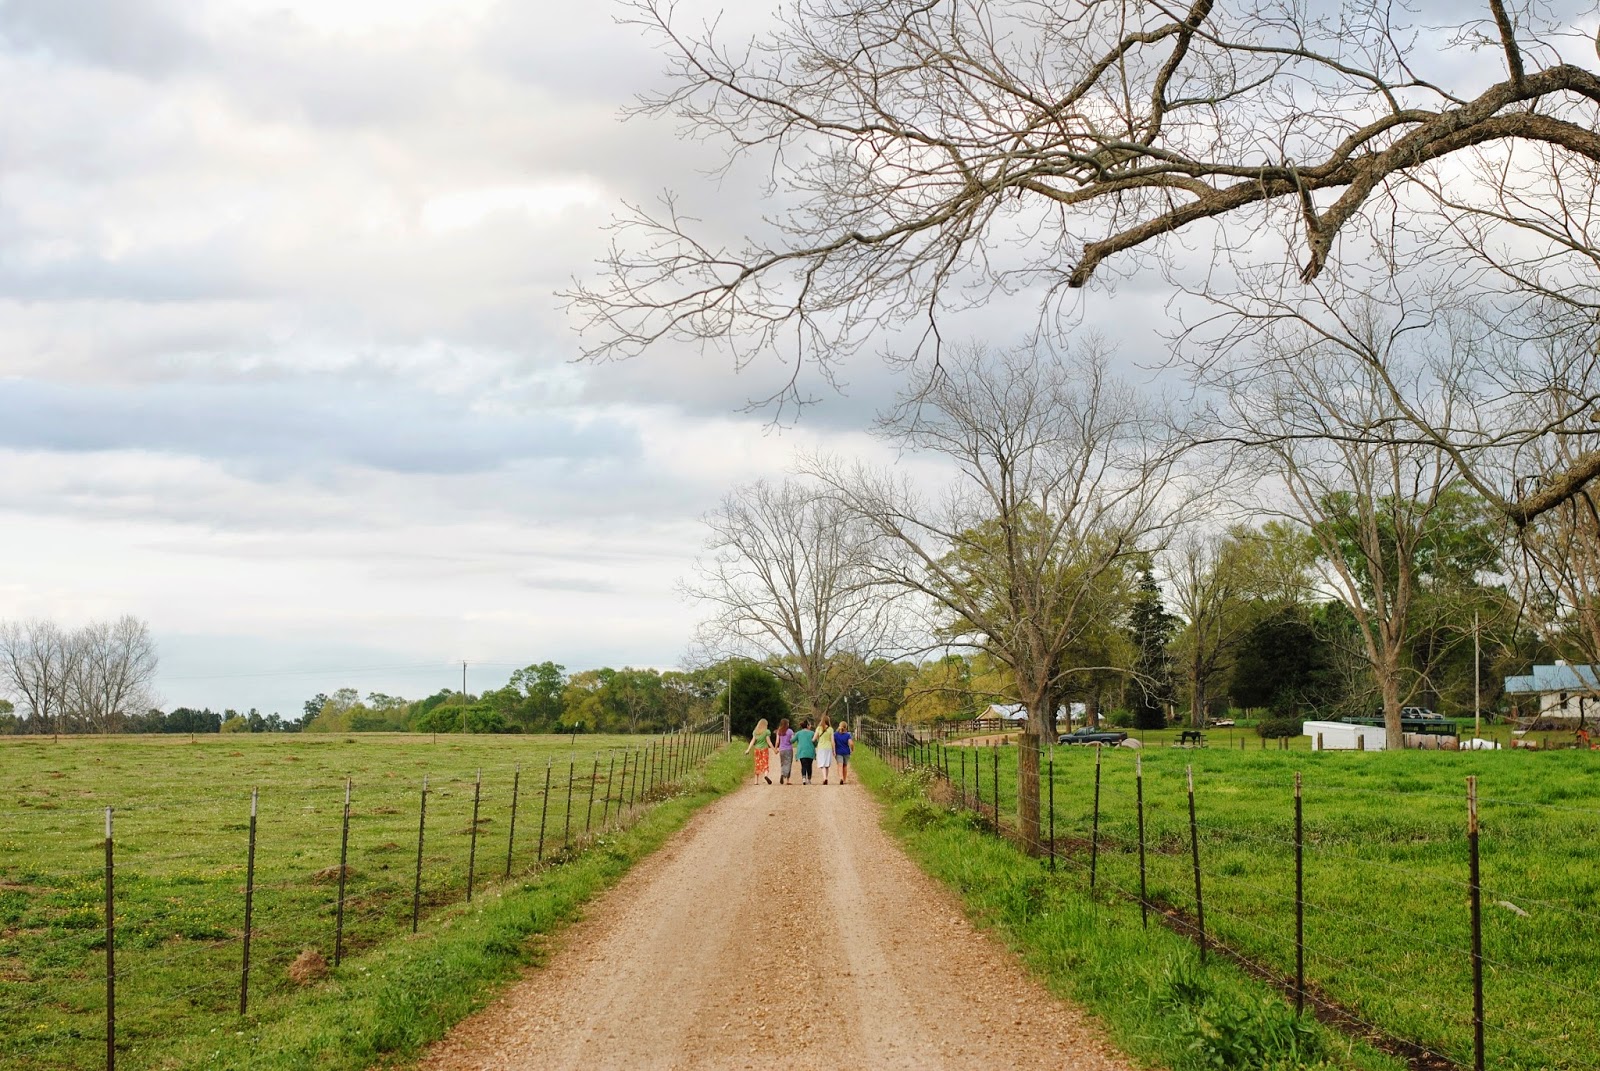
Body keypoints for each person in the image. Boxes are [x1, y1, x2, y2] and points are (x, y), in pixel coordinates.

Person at [743, 718, 772, 785]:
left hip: (757, 750)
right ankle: (766, 775)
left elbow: (752, 741)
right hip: (764, 749)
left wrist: (748, 749)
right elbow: (769, 742)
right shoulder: (767, 732)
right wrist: (774, 749)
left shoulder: (755, 732)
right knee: (765, 763)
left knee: (757, 764)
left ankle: (756, 781)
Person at [794, 719, 817, 784]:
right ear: (807, 725)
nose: (810, 726)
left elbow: (792, 740)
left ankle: (804, 778)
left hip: (801, 752)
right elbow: (815, 743)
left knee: (803, 765)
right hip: (810, 752)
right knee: (809, 765)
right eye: (810, 725)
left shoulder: (798, 733)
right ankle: (809, 779)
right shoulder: (812, 733)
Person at [814, 713, 835, 784]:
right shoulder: (831, 729)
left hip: (821, 747)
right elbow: (832, 741)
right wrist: (834, 750)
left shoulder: (819, 728)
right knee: (827, 764)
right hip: (828, 747)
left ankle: (824, 778)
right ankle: (826, 778)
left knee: (822, 764)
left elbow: (814, 738)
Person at [774, 718, 795, 784]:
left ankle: (782, 774)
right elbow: (793, 740)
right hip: (789, 749)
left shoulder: (779, 731)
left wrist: (775, 749)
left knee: (783, 763)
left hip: (781, 749)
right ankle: (787, 780)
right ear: (787, 724)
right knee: (788, 763)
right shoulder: (790, 731)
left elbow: (777, 741)